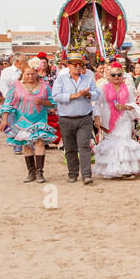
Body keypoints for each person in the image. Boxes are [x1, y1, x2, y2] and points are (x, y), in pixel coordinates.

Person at [0, 58, 56, 182]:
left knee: (39, 143)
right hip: (22, 120)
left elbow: (53, 103)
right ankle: (31, 172)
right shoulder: (15, 86)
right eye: (27, 74)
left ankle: (40, 172)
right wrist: (5, 119)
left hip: (40, 118)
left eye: (33, 74)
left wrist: (43, 102)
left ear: (37, 74)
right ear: (23, 74)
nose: (30, 76)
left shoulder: (45, 86)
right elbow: (7, 103)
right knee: (26, 145)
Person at [51, 52, 101, 185]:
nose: (78, 67)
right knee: (70, 147)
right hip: (66, 118)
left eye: (80, 64)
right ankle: (72, 174)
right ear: (68, 66)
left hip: (84, 117)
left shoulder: (88, 78)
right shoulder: (60, 79)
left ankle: (86, 175)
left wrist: (89, 94)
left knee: (84, 146)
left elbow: (97, 94)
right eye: (75, 64)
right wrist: (74, 96)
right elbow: (55, 96)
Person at [92, 61, 140, 179]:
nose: (116, 77)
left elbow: (134, 104)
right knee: (111, 142)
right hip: (108, 119)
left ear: (122, 76)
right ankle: (111, 170)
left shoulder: (128, 89)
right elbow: (96, 104)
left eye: (119, 75)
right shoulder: (102, 88)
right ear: (109, 77)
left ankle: (126, 170)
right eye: (113, 75)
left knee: (124, 142)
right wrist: (96, 118)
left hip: (124, 119)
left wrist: (125, 107)